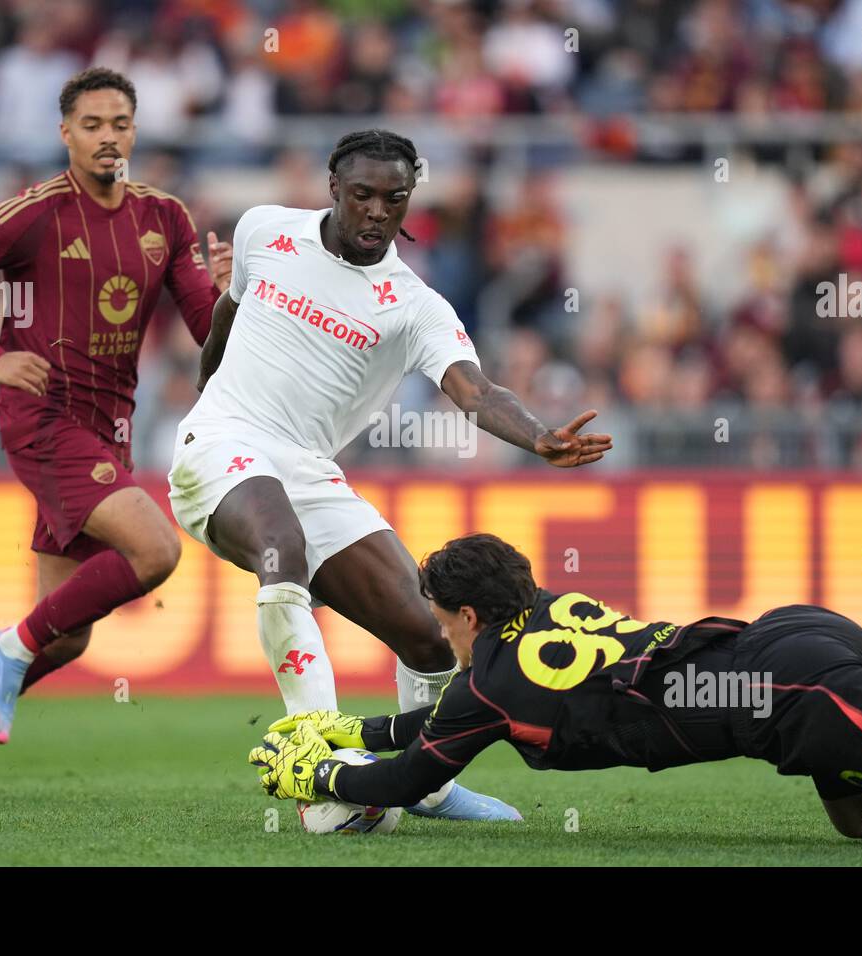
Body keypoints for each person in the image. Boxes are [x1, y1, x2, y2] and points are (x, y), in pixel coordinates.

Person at [169, 129, 612, 820]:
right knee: (279, 546)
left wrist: (539, 438)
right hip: (221, 441)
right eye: (364, 195)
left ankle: (427, 785)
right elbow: (229, 311)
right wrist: (205, 395)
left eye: (395, 198)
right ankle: (313, 764)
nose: (378, 210)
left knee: (431, 636)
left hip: (308, 471)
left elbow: (476, 391)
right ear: (333, 189)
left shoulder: (414, 305)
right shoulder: (264, 230)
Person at [0, 67, 233, 794]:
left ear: (135, 130)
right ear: (65, 134)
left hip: (110, 429)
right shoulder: (33, 213)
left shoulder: (166, 218)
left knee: (65, 636)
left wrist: (228, 296)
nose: (106, 138)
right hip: (46, 420)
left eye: (119, 124)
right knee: (155, 550)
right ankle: (7, 649)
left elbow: (201, 334)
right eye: (91, 125)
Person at [250, 533, 862, 841]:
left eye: (442, 620)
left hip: (781, 689)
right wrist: (347, 731)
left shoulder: (489, 684)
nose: (441, 636)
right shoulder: (538, 609)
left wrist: (318, 776)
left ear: (469, 612)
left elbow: (414, 773)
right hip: (779, 640)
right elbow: (429, 734)